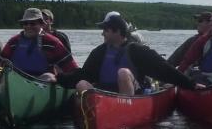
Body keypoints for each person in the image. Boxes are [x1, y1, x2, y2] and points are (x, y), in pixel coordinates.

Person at [59, 13, 195, 95]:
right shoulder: (99, 52)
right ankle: (93, 117)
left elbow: (163, 68)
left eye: (106, 30)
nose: (102, 33)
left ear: (117, 31)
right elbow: (84, 74)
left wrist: (190, 85)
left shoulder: (136, 50)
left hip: (131, 97)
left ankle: (125, 112)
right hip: (105, 95)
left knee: (123, 72)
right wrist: (59, 78)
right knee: (82, 83)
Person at [0, 7, 78, 82]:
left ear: (41, 24)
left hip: (42, 82)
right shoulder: (13, 42)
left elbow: (71, 67)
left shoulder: (53, 43)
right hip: (16, 79)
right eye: (25, 23)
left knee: (49, 77)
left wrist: (76, 80)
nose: (28, 26)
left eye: (33, 23)